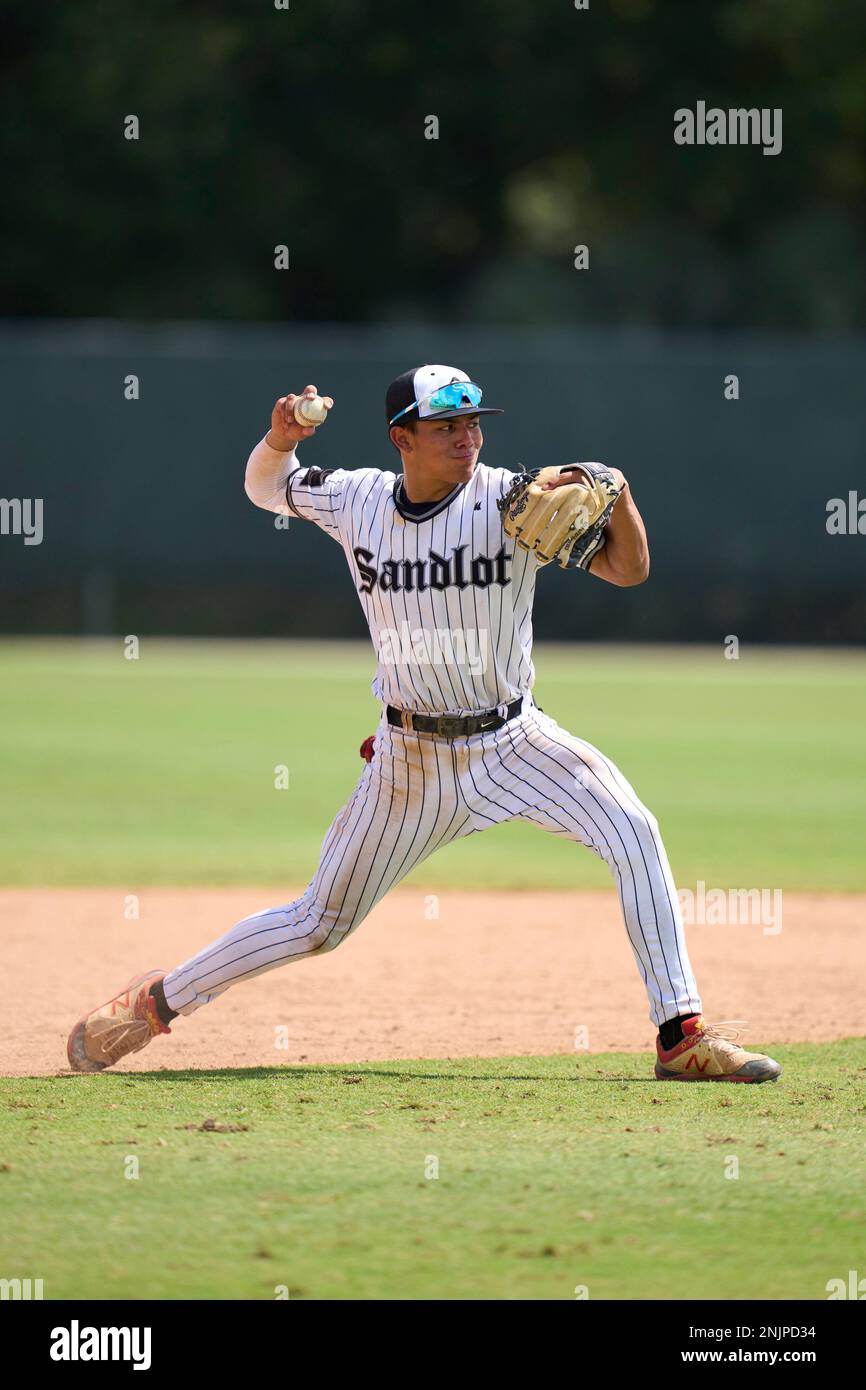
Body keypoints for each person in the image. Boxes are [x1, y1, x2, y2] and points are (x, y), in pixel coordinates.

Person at [67, 365, 781, 1084]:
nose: (467, 438)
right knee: (318, 923)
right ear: (401, 438)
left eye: (473, 423)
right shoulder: (353, 499)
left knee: (634, 831)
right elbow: (262, 486)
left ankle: (680, 1036)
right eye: (446, 427)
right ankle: (155, 1003)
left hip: (513, 741)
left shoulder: (513, 501)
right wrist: (279, 442)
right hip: (408, 761)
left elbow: (629, 571)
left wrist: (618, 492)